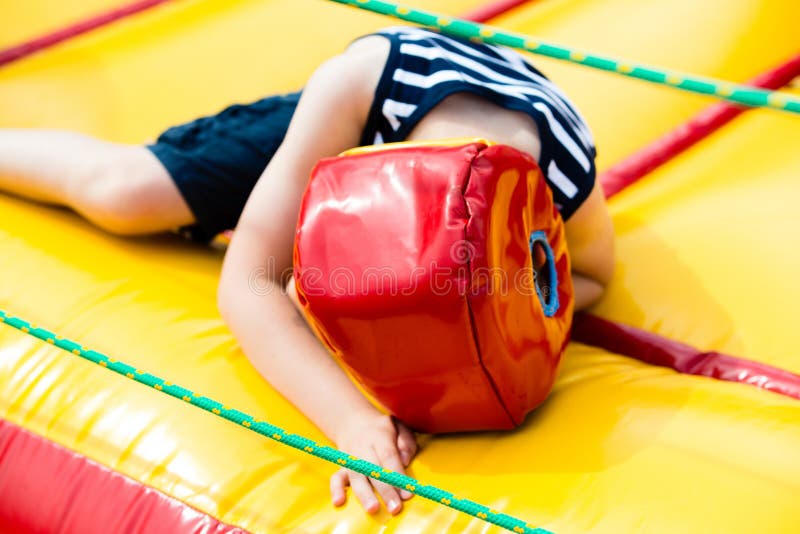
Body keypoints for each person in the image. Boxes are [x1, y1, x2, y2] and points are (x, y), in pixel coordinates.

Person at [0, 26, 614, 516]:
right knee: (126, 195)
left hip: (483, 136)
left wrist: (506, 315)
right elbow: (246, 284)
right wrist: (350, 419)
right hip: (369, 101)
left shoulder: (562, 174)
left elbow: (591, 277)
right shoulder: (354, 88)